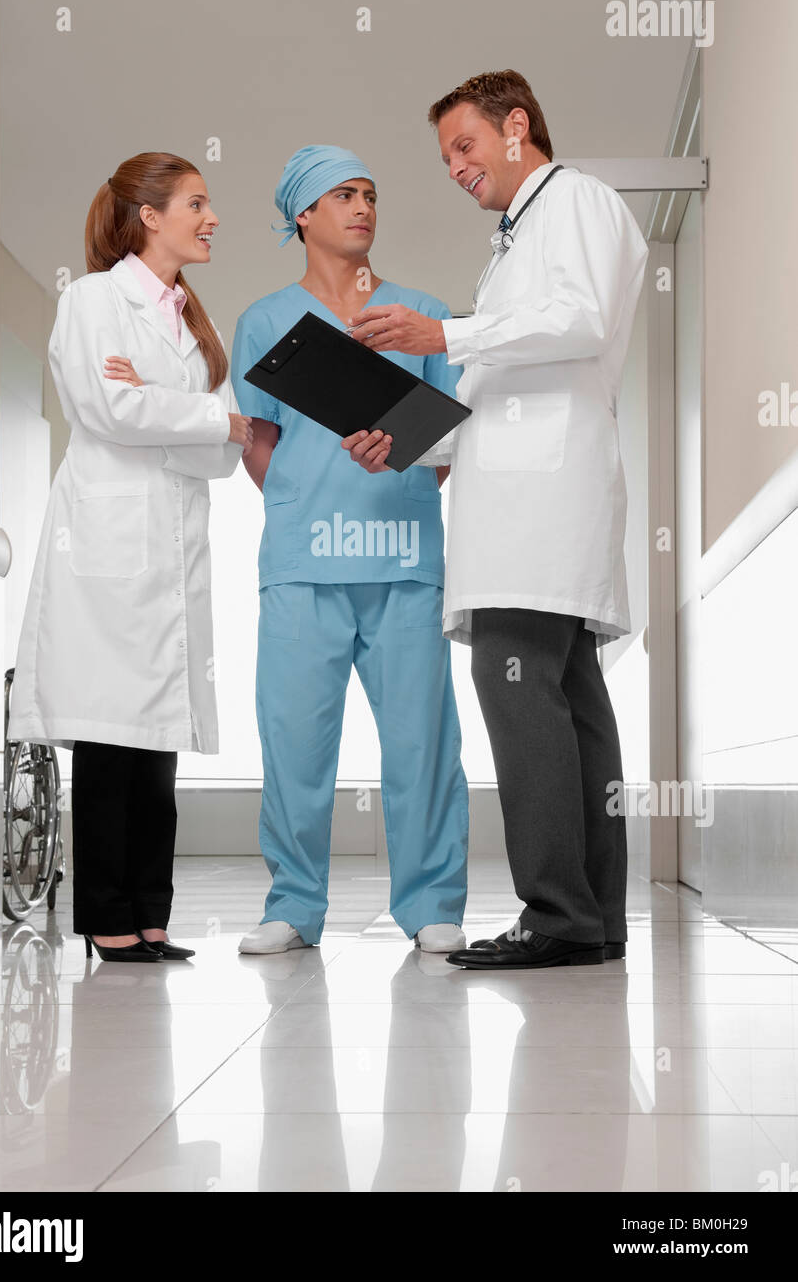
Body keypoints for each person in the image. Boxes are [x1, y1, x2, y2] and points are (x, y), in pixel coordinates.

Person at [343, 71, 649, 971]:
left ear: (518, 127)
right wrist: (405, 442)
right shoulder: (517, 244)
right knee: (569, 703)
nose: (455, 168)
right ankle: (590, 919)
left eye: (465, 146)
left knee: (518, 692)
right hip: (529, 499)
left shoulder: (576, 200)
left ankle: (556, 915)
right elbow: (496, 391)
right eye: (446, 158)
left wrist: (446, 333)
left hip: (539, 511)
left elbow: (580, 319)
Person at [7, 152, 253, 962]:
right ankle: (108, 919)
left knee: (157, 740)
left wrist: (165, 407)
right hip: (109, 548)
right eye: (196, 204)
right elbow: (106, 409)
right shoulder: (91, 300)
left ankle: (152, 916)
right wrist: (196, 418)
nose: (212, 219)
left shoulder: (193, 322)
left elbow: (226, 450)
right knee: (111, 738)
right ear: (149, 215)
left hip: (172, 542)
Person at [231, 144, 469, 955]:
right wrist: (306, 500)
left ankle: (432, 904)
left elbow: (444, 448)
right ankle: (293, 905)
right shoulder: (266, 321)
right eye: (343, 195)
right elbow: (259, 440)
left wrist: (397, 457)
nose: (363, 206)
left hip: (404, 559)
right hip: (304, 563)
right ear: (303, 215)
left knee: (422, 743)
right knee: (294, 743)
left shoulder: (421, 315)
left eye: (369, 193)